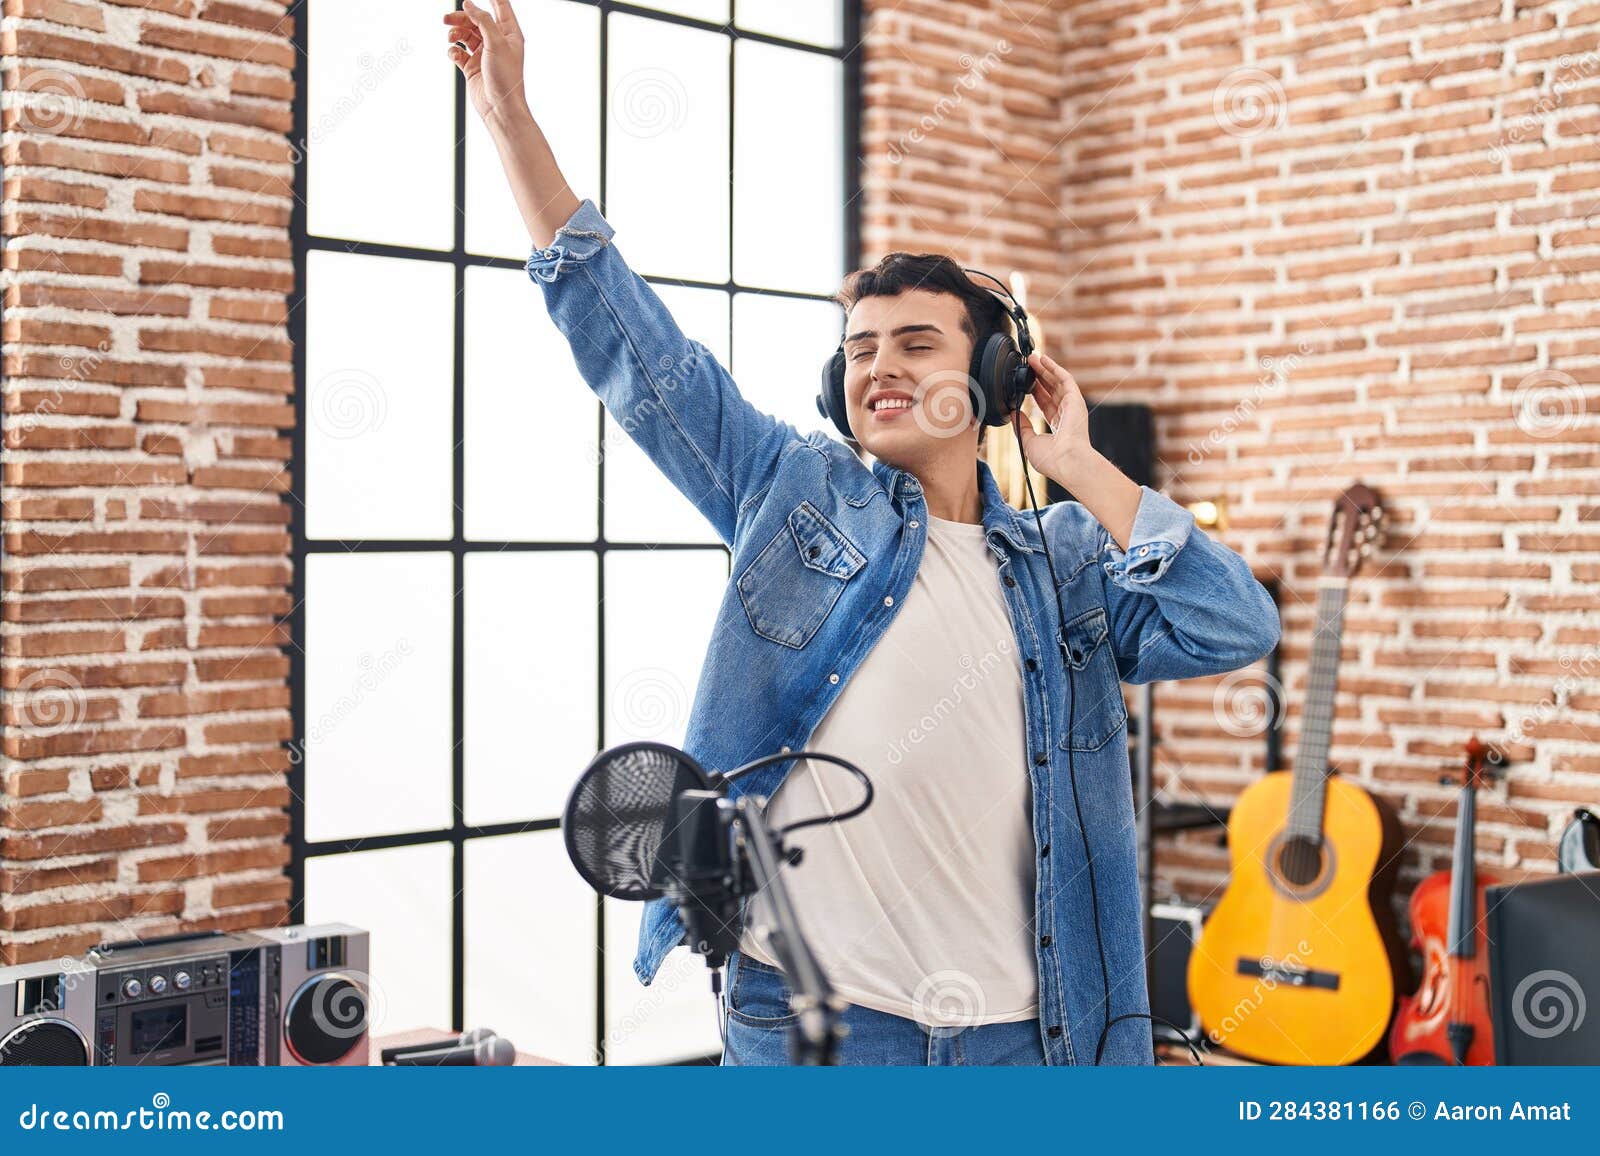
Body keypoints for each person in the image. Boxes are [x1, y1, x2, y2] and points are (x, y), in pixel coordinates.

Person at [447, 0, 1281, 1067]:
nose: (878, 366)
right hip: (815, 1028)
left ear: (991, 380)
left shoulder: (1068, 561)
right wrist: (512, 116)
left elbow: (1233, 621)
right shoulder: (788, 491)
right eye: (859, 350)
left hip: (1030, 1038)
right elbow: (636, 354)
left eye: (917, 345)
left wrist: (1076, 465)